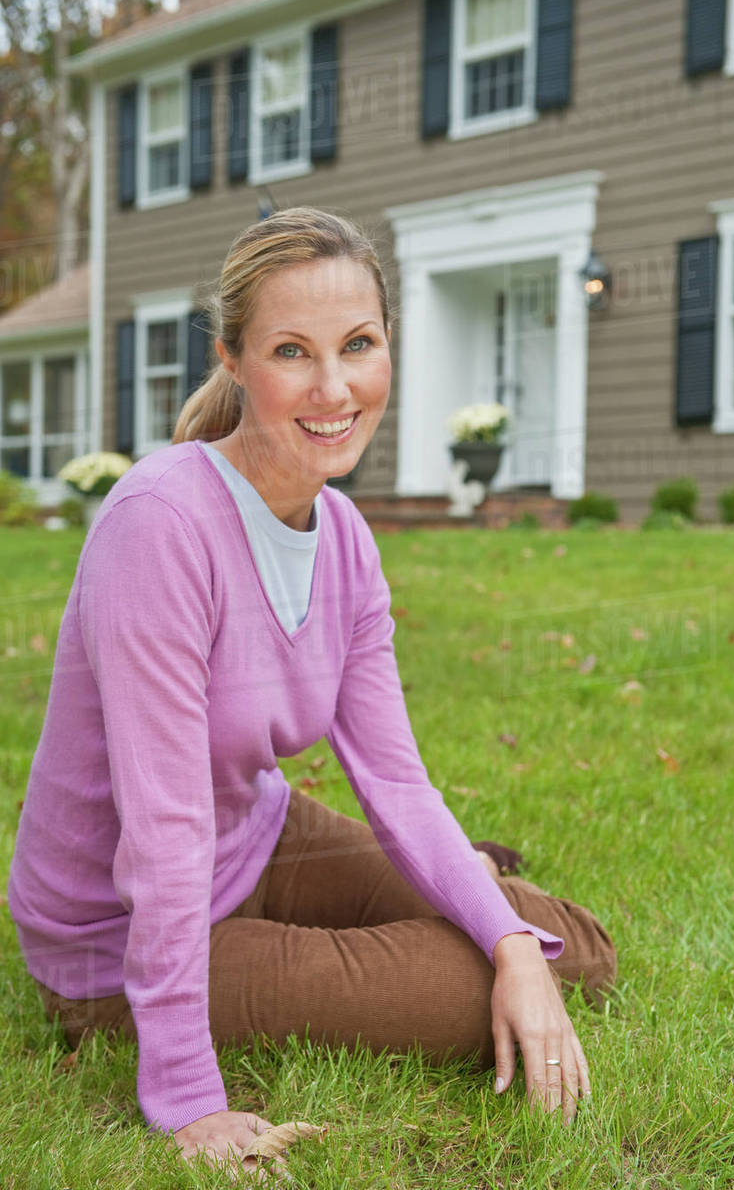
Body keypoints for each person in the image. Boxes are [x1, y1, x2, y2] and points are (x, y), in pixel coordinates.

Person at [8, 208, 616, 1184]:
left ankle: (469, 889)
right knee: (474, 989)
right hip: (121, 934)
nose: (335, 389)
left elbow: (396, 780)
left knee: (568, 953)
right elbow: (164, 834)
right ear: (234, 360)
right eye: (292, 351)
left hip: (254, 834)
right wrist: (189, 1099)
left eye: (358, 345)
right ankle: (439, 901)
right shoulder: (159, 526)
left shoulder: (344, 539)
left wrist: (506, 940)